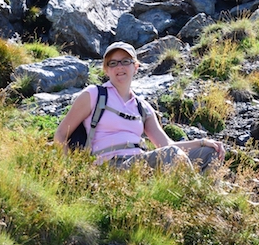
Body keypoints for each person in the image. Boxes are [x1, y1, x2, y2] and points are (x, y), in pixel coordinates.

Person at [54, 42, 225, 171]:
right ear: (106, 70)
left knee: (209, 154)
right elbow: (61, 133)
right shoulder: (94, 94)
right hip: (111, 167)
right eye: (113, 63)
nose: (119, 67)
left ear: (135, 67)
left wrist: (203, 142)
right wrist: (69, 169)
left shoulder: (142, 107)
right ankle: (194, 202)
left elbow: (165, 145)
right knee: (172, 155)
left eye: (125, 61)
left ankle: (207, 205)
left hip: (141, 162)